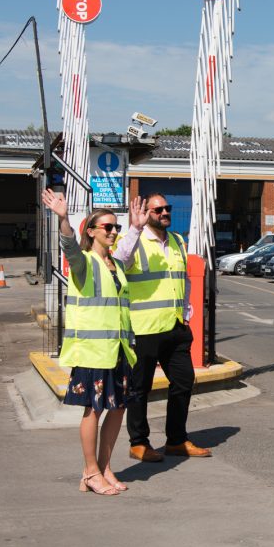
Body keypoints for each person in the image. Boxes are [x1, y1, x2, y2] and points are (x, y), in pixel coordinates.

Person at [41, 188, 136, 496]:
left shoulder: (118, 266)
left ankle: (105, 467)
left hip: (117, 350)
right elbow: (68, 246)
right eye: (107, 227)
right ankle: (90, 471)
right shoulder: (83, 263)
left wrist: (134, 227)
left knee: (118, 408)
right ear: (91, 231)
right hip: (93, 352)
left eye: (115, 227)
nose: (112, 231)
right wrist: (64, 219)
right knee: (93, 411)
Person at [113, 193, 211, 461]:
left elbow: (183, 277)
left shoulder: (178, 241)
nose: (165, 213)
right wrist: (134, 227)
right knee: (139, 388)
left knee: (184, 381)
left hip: (175, 327)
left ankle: (176, 440)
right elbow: (118, 261)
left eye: (167, 208)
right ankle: (139, 443)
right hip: (144, 328)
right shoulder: (134, 241)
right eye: (158, 210)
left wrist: (186, 311)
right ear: (146, 213)